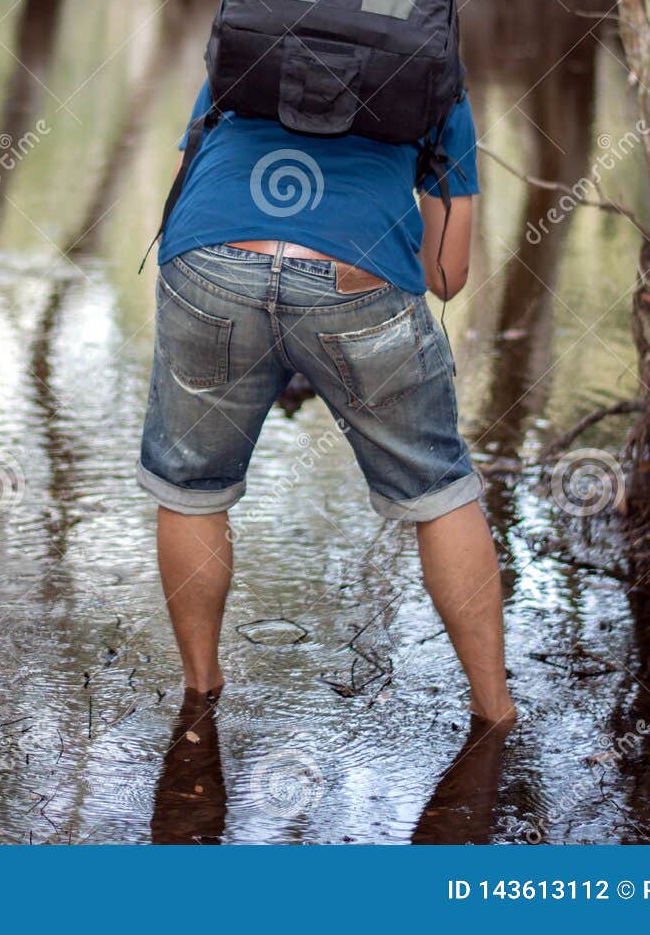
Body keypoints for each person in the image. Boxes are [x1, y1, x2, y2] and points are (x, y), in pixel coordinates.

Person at [136, 80, 516, 728]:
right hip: (356, 275)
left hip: (210, 257)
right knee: (438, 487)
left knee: (191, 483)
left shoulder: (255, 29)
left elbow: (183, 182)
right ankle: (495, 712)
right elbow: (447, 275)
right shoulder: (432, 65)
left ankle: (200, 690)